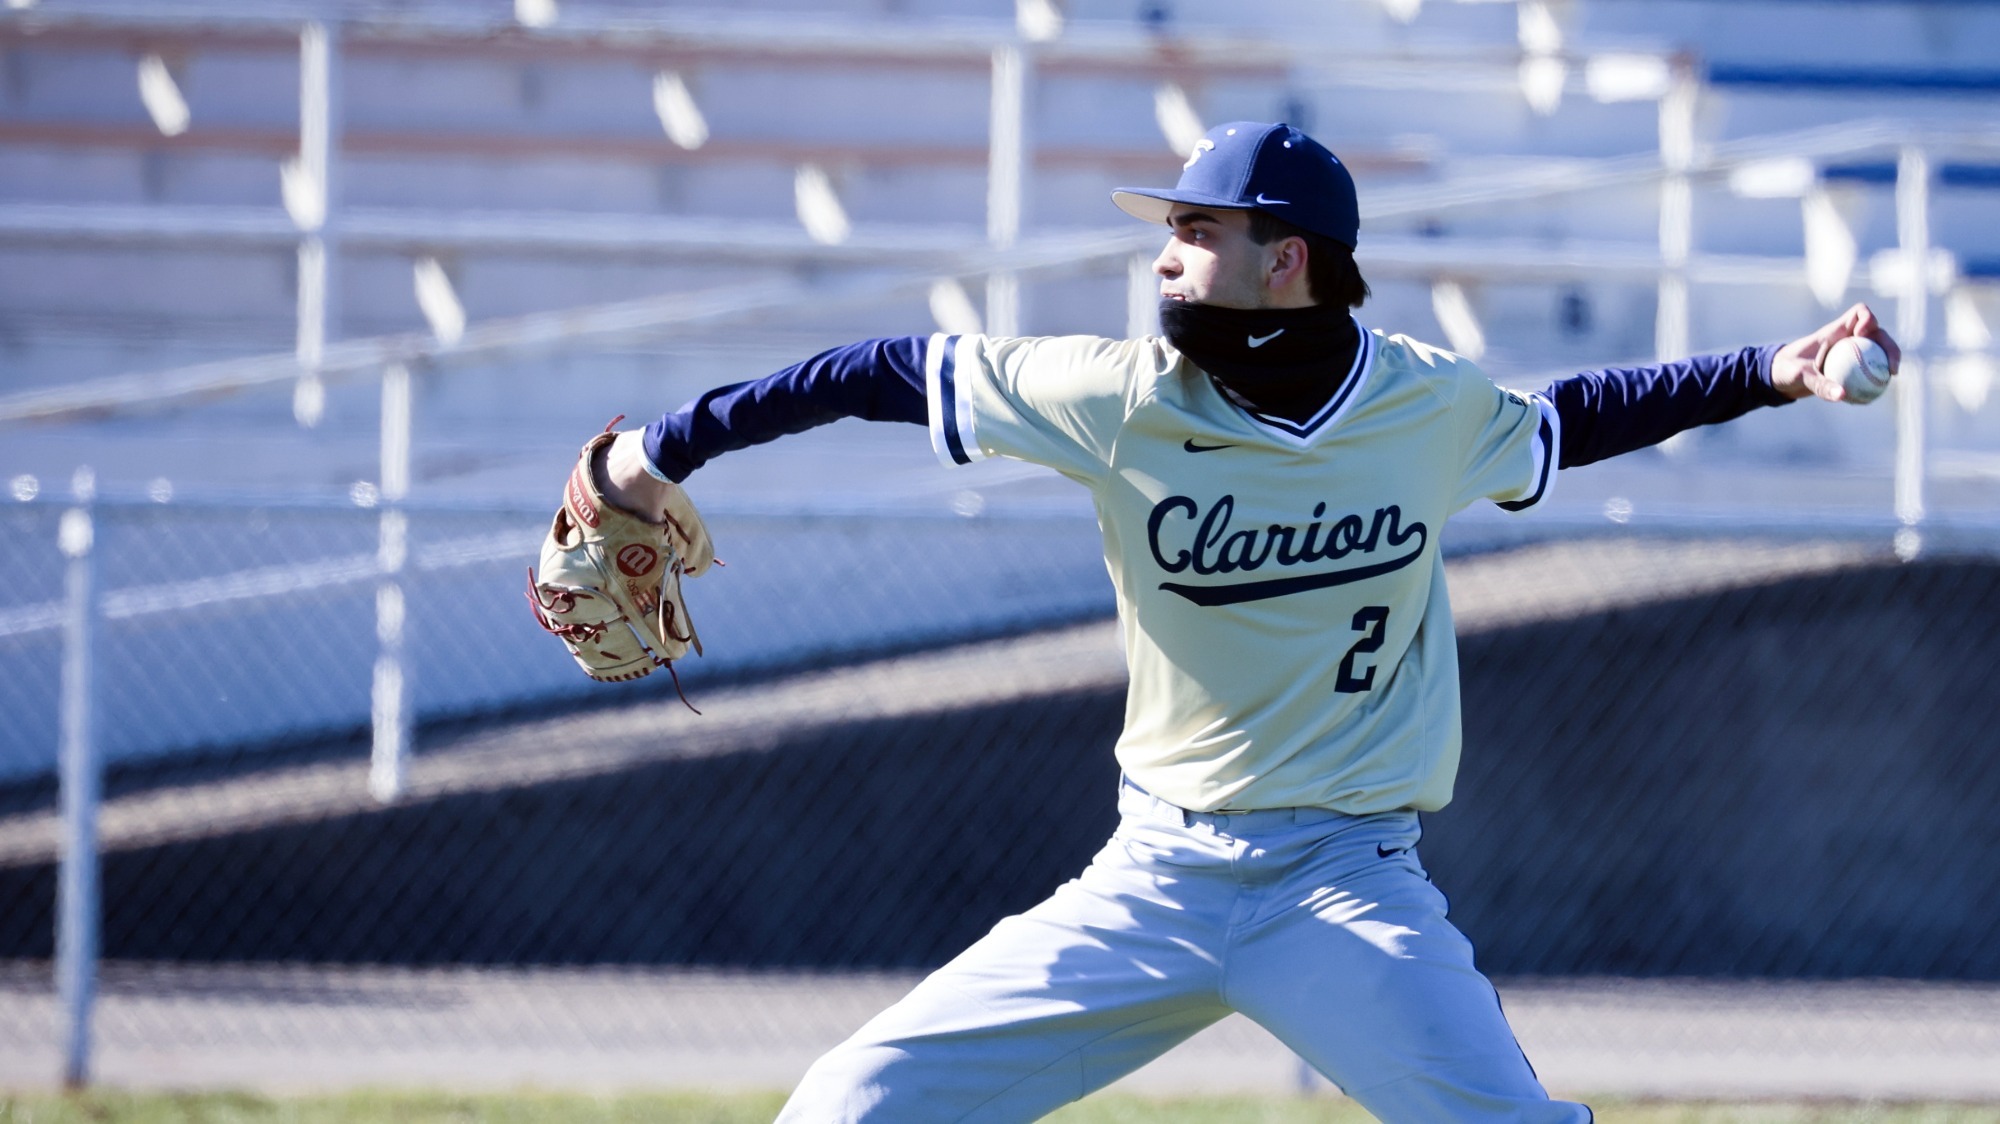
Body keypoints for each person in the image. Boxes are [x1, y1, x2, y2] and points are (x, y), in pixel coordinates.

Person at [594, 122, 1899, 1121]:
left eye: (1196, 228)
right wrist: (662, 450)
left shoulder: (1422, 408)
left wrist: (1768, 374)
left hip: (1344, 889)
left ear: (1288, 260)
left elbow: (1575, 418)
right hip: (1150, 881)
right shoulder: (1114, 397)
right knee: (845, 1110)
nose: (1164, 251)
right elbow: (879, 372)